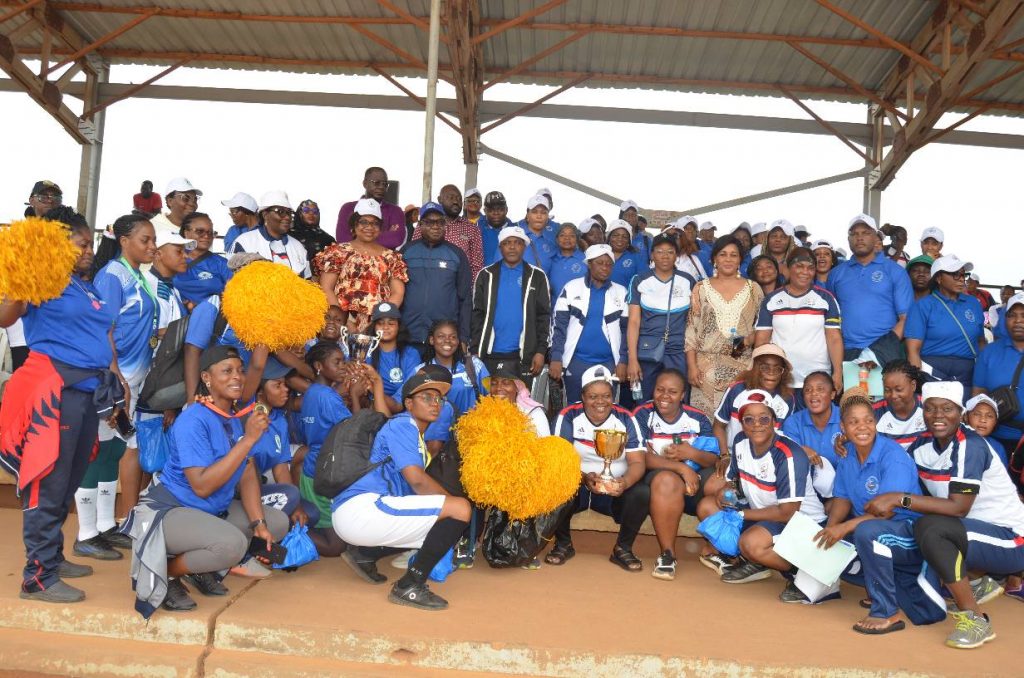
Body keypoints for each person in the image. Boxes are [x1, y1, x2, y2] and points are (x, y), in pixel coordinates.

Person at [0, 209, 120, 603]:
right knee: (48, 483)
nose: (90, 250)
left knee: (68, 480)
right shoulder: (43, 282)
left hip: (86, 392)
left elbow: (101, 336)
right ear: (56, 244)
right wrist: (23, 280)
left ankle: (51, 557)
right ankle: (37, 577)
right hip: (55, 390)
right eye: (82, 243)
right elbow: (5, 316)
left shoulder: (83, 285)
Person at [855, 381, 1024, 648]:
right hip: (962, 532)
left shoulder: (971, 446)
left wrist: (899, 499)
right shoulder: (922, 444)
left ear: (961, 414)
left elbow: (959, 508)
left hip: (1009, 539)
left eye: (947, 409)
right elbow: (889, 456)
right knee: (873, 531)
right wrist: (849, 442)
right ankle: (964, 585)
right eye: (931, 409)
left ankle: (977, 619)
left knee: (931, 529)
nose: (938, 416)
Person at [128, 345, 290, 612]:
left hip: (210, 509)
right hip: (171, 510)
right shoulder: (193, 419)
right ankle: (166, 571)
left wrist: (258, 523)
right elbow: (201, 486)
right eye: (226, 371)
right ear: (206, 378)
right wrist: (249, 439)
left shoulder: (232, 415)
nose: (237, 377)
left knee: (276, 524)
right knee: (232, 546)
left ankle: (201, 566)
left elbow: (248, 472)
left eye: (240, 370)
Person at [332, 370, 472, 611]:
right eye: (426, 397)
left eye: (439, 399)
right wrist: (453, 506)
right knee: (459, 510)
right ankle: (410, 584)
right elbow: (417, 480)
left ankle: (365, 553)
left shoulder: (408, 430)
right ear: (409, 403)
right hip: (363, 509)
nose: (435, 403)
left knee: (439, 521)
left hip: (359, 513)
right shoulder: (404, 425)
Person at [697, 390, 829, 588]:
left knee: (751, 543)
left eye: (764, 419)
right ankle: (757, 562)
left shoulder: (788, 454)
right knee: (708, 506)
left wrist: (742, 514)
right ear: (742, 423)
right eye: (749, 419)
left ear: (774, 422)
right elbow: (732, 479)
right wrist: (726, 491)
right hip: (763, 513)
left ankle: (802, 572)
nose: (756, 424)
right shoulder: (741, 441)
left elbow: (787, 513)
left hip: (801, 522)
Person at [811, 390, 919, 612]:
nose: (862, 427)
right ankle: (879, 579)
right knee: (820, 533)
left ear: (875, 423)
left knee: (863, 532)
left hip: (906, 529)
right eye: (854, 422)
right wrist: (831, 528)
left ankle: (885, 605)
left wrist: (843, 528)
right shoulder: (847, 453)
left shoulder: (893, 457)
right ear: (843, 427)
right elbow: (842, 497)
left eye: (868, 421)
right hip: (868, 525)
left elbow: (888, 512)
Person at [91, 214, 159, 554]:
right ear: (123, 241)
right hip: (119, 376)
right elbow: (104, 327)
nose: (152, 246)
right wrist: (116, 374)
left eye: (153, 240)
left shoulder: (139, 276)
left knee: (118, 447)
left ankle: (107, 524)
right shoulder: (112, 276)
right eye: (145, 240)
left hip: (136, 373)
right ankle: (89, 531)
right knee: (104, 446)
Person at [549, 366, 648, 570]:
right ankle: (563, 544)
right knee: (555, 481)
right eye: (593, 396)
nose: (600, 402)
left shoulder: (626, 418)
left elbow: (638, 462)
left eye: (606, 396)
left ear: (613, 396)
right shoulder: (567, 416)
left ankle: (623, 549)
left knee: (641, 492)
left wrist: (625, 482)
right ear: (583, 396)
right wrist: (584, 478)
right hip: (578, 484)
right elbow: (557, 461)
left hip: (614, 489)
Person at [298, 342, 389, 556]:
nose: (342, 366)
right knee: (336, 546)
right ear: (319, 365)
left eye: (343, 361)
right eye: (336, 362)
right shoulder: (327, 396)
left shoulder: (313, 392)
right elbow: (354, 432)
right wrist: (356, 397)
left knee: (340, 535)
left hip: (315, 468)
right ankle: (285, 534)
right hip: (323, 472)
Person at [633, 369, 717, 579]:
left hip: (697, 475)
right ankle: (667, 554)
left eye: (672, 391)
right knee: (667, 481)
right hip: (659, 474)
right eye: (660, 390)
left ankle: (716, 551)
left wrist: (691, 453)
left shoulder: (697, 418)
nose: (664, 396)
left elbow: (712, 459)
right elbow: (640, 457)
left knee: (721, 483)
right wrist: (681, 468)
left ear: (682, 395)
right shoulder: (642, 415)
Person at [685, 235, 763, 416]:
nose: (728, 259)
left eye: (733, 255)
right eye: (723, 254)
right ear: (714, 259)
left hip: (743, 368)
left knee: (741, 420)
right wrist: (692, 367)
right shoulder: (700, 288)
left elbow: (761, 329)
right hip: (705, 369)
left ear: (740, 260)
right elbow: (691, 329)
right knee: (705, 426)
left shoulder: (754, 289)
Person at [826, 214, 913, 370]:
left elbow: (906, 318)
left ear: (876, 238)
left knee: (886, 395)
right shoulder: (836, 274)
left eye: (866, 233)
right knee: (849, 395)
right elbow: (830, 318)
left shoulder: (895, 271)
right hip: (846, 352)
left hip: (885, 353)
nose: (859, 238)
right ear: (848, 240)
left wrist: (883, 348)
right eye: (854, 234)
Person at [755, 247, 843, 399]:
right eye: (799, 266)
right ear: (787, 269)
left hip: (817, 380)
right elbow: (761, 341)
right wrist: (759, 373)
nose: (805, 272)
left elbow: (834, 338)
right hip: (780, 380)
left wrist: (838, 373)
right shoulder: (771, 300)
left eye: (810, 268)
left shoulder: (826, 299)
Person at [470, 226, 551, 386]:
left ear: (524, 246)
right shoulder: (486, 275)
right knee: (488, 405)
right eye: (507, 243)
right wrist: (475, 352)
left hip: (523, 356)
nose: (512, 247)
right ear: (500, 247)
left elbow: (544, 316)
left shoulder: (537, 276)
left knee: (521, 406)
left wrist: (541, 351)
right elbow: (476, 315)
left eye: (517, 243)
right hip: (489, 354)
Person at [550, 244, 629, 404]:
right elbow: (559, 326)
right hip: (576, 361)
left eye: (609, 264)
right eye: (600, 263)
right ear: (589, 264)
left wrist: (623, 361)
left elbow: (627, 331)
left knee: (606, 408)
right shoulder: (571, 287)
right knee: (575, 407)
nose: (605, 268)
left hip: (609, 362)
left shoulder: (621, 292)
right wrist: (556, 357)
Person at [315, 198, 408, 331]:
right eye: (363, 222)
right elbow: (326, 287)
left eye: (375, 223)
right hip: (342, 324)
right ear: (354, 225)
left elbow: (397, 292)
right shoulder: (338, 252)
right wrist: (342, 321)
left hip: (378, 324)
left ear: (380, 228)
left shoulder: (392, 257)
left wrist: (379, 321)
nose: (369, 227)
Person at [626, 233, 697, 401]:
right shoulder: (639, 280)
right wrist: (632, 359)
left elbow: (694, 322)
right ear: (652, 255)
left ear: (677, 255)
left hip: (679, 351)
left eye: (670, 251)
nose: (665, 256)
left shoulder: (688, 281)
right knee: (644, 402)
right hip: (647, 351)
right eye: (659, 251)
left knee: (677, 400)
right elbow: (634, 322)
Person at [399, 202, 472, 353]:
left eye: (440, 222)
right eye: (429, 222)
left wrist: (464, 337)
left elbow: (465, 299)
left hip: (443, 340)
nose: (435, 226)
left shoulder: (456, 254)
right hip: (408, 336)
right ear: (420, 225)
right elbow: (395, 291)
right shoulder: (406, 252)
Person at [249, 359, 314, 527]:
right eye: (277, 385)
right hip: (242, 493)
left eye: (285, 384)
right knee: (290, 496)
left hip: (263, 490)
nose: (286, 390)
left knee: (311, 513)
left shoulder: (279, 420)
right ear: (260, 391)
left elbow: (281, 469)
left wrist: (297, 507)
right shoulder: (244, 417)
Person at [905, 255, 984, 390]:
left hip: (967, 373)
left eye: (963, 275)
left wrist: (983, 373)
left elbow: (981, 341)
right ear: (938, 278)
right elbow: (913, 350)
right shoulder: (923, 305)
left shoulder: (973, 303)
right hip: (931, 372)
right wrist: (918, 381)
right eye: (954, 274)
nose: (960, 279)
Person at [713, 343, 796, 456]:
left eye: (777, 369)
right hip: (731, 455)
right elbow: (719, 426)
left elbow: (781, 438)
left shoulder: (787, 399)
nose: (771, 373)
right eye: (765, 367)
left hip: (766, 460)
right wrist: (724, 456)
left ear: (783, 373)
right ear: (755, 368)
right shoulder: (737, 390)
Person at [973, 292, 1024, 455]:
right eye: (1012, 315)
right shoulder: (990, 352)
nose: (1018, 321)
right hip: (997, 439)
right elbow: (978, 394)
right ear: (1005, 319)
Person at [367, 303, 430, 413]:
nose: (385, 327)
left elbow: (399, 405)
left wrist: (374, 389)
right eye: (380, 323)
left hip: (399, 412)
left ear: (399, 326)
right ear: (374, 327)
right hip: (367, 409)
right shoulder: (364, 350)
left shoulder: (410, 354)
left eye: (391, 323)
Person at [417, 319, 488, 417]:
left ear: (458, 341)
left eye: (453, 337)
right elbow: (403, 401)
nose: (447, 340)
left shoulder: (474, 365)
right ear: (432, 340)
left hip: (470, 429)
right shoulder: (420, 371)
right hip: (437, 430)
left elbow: (492, 396)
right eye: (441, 336)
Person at [411, 184, 484, 280]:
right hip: (427, 282)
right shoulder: (426, 224)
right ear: (439, 199)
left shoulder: (472, 229)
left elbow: (477, 266)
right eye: (451, 197)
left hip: (459, 286)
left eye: (459, 198)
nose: (455, 201)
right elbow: (414, 254)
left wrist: (469, 289)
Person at [232, 191, 310, 278]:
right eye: (280, 211)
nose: (287, 217)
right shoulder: (244, 243)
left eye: (289, 213)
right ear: (265, 214)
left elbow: (308, 283)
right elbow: (237, 283)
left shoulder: (298, 247)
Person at [335, 167, 408, 249]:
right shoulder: (348, 208)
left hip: (384, 261)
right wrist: (384, 235)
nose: (381, 187)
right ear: (365, 183)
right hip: (352, 260)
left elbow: (395, 239)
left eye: (385, 184)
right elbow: (343, 240)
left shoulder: (396, 211)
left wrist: (358, 237)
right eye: (376, 183)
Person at [782, 371, 842, 467]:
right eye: (808, 390)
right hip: (807, 479)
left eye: (820, 389)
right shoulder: (793, 423)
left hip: (844, 478)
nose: (814, 393)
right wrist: (800, 451)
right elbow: (790, 461)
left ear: (832, 394)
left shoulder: (846, 417)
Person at [173, 212, 232, 307]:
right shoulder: (173, 258)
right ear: (186, 232)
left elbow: (234, 296)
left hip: (213, 318)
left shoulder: (221, 264)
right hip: (175, 318)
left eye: (210, 232)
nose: (206, 236)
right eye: (200, 231)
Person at [485, 360, 550, 435]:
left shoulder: (534, 414)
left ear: (517, 387)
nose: (498, 388)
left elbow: (546, 445)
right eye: (494, 383)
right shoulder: (483, 413)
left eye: (506, 383)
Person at [873, 359, 926, 450]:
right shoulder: (874, 412)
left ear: (913, 385)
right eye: (887, 390)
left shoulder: (928, 407)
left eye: (899, 390)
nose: (893, 396)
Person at [547, 223, 587, 306]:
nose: (567, 238)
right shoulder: (551, 259)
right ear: (557, 239)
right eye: (562, 235)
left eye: (572, 236)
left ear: (577, 239)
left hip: (579, 311)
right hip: (555, 311)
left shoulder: (586, 260)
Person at [517, 194, 558, 272]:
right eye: (534, 212)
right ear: (527, 215)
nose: (539, 216)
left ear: (547, 216)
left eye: (543, 212)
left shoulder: (553, 240)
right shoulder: (514, 235)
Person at [964, 394, 1006, 466]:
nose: (983, 420)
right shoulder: (953, 443)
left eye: (989, 416)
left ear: (995, 422)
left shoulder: (997, 448)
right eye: (977, 414)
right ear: (966, 417)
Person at [606, 219, 649, 289]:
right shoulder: (600, 255)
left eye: (624, 237)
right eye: (616, 235)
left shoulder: (637, 257)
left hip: (627, 299)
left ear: (629, 241)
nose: (620, 239)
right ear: (609, 238)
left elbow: (646, 282)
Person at [478, 190, 514, 264]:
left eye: (500, 209)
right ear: (485, 211)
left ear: (506, 210)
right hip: (483, 274)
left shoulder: (516, 232)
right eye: (491, 210)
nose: (496, 213)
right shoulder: (476, 230)